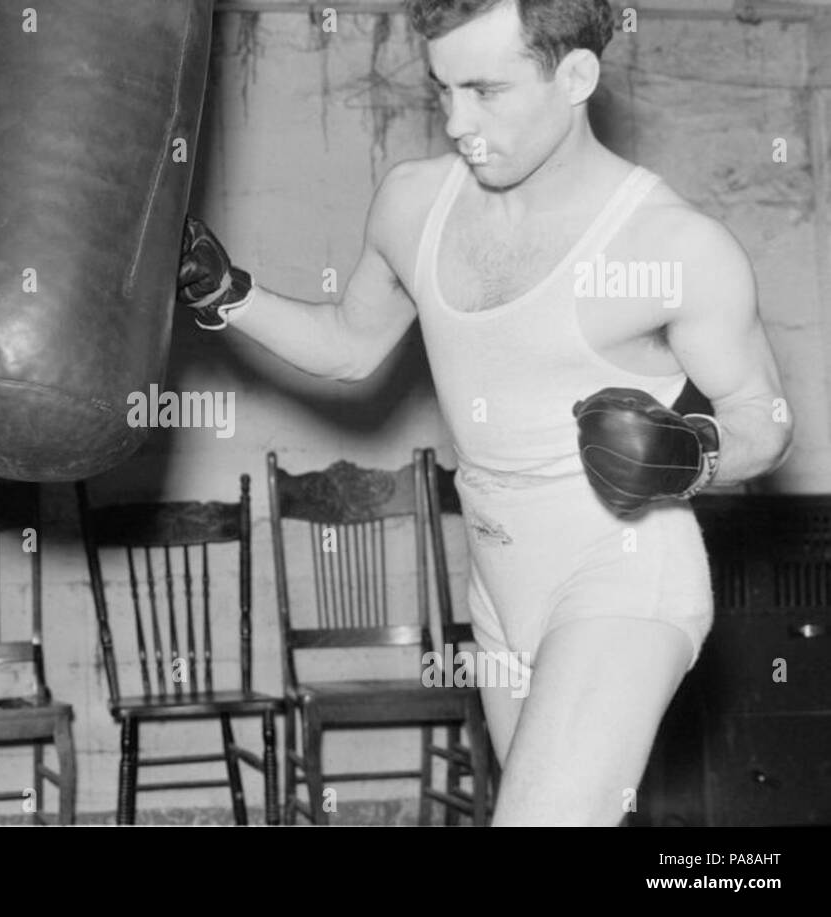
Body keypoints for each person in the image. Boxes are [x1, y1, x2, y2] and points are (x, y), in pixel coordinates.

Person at [176, 0, 793, 826]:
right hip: (499, 589)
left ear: (576, 75)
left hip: (621, 574)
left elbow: (765, 414)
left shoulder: (673, 245)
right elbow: (350, 346)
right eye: (442, 90)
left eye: (486, 90)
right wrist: (229, 295)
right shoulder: (413, 205)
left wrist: (698, 450)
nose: (457, 122)